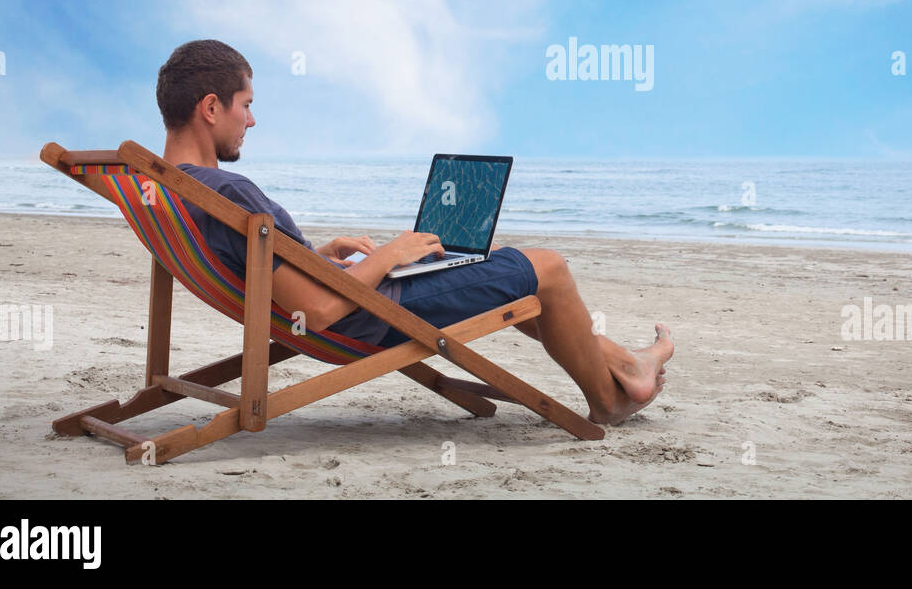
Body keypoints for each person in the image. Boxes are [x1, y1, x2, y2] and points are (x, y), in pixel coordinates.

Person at [155, 39, 673, 425]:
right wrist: (390, 256)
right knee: (547, 269)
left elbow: (270, 271)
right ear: (210, 107)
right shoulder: (226, 191)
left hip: (358, 296)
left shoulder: (172, 188)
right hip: (372, 316)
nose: (251, 121)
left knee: (486, 267)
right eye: (245, 104)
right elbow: (314, 312)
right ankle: (609, 399)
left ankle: (627, 364)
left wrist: (319, 256)